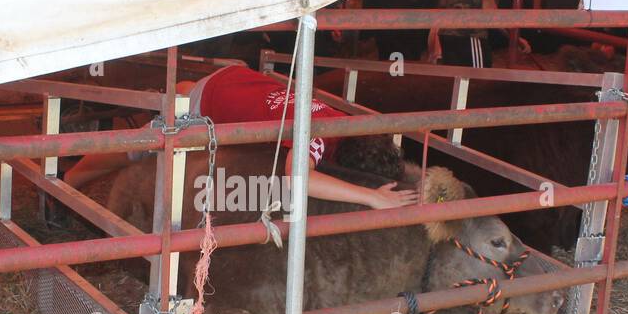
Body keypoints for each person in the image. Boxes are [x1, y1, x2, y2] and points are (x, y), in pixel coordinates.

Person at [64, 65, 417, 210]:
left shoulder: (343, 120)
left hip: (238, 77)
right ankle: (69, 180)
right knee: (142, 145)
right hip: (205, 103)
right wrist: (371, 197)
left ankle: (180, 95)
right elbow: (296, 178)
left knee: (183, 99)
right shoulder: (323, 137)